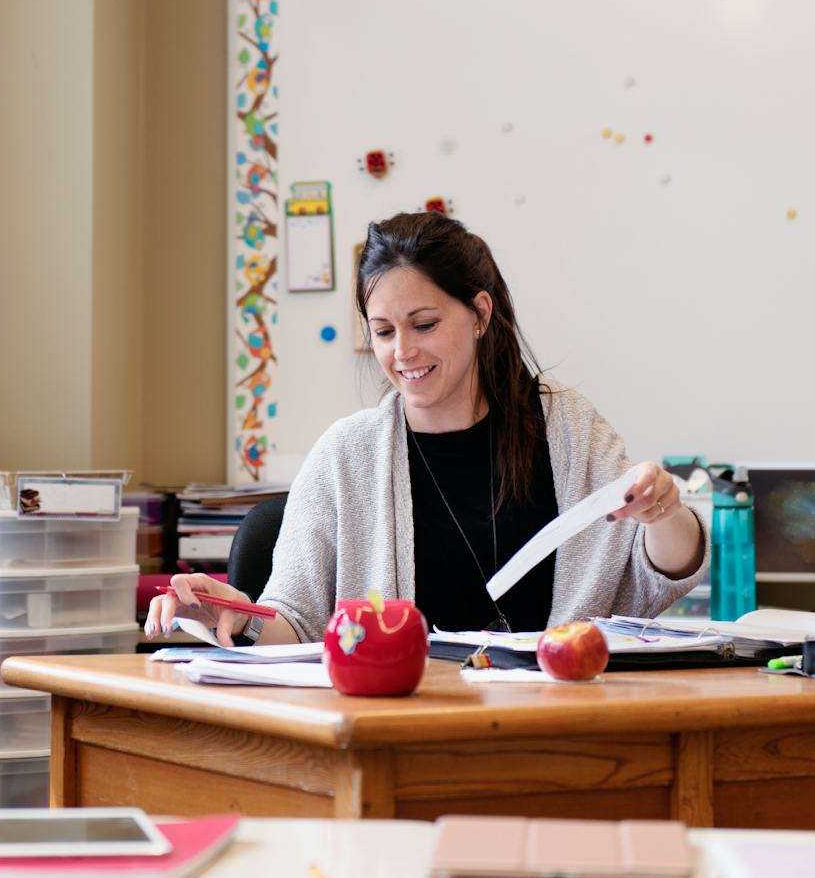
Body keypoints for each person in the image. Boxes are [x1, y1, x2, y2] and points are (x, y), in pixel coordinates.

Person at [146, 211, 707, 647]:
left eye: (424, 324)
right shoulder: (346, 456)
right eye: (383, 332)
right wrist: (229, 614)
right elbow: (295, 625)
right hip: (402, 725)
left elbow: (662, 576)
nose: (402, 352)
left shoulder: (566, 428)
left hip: (551, 717)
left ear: (481, 314)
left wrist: (663, 512)